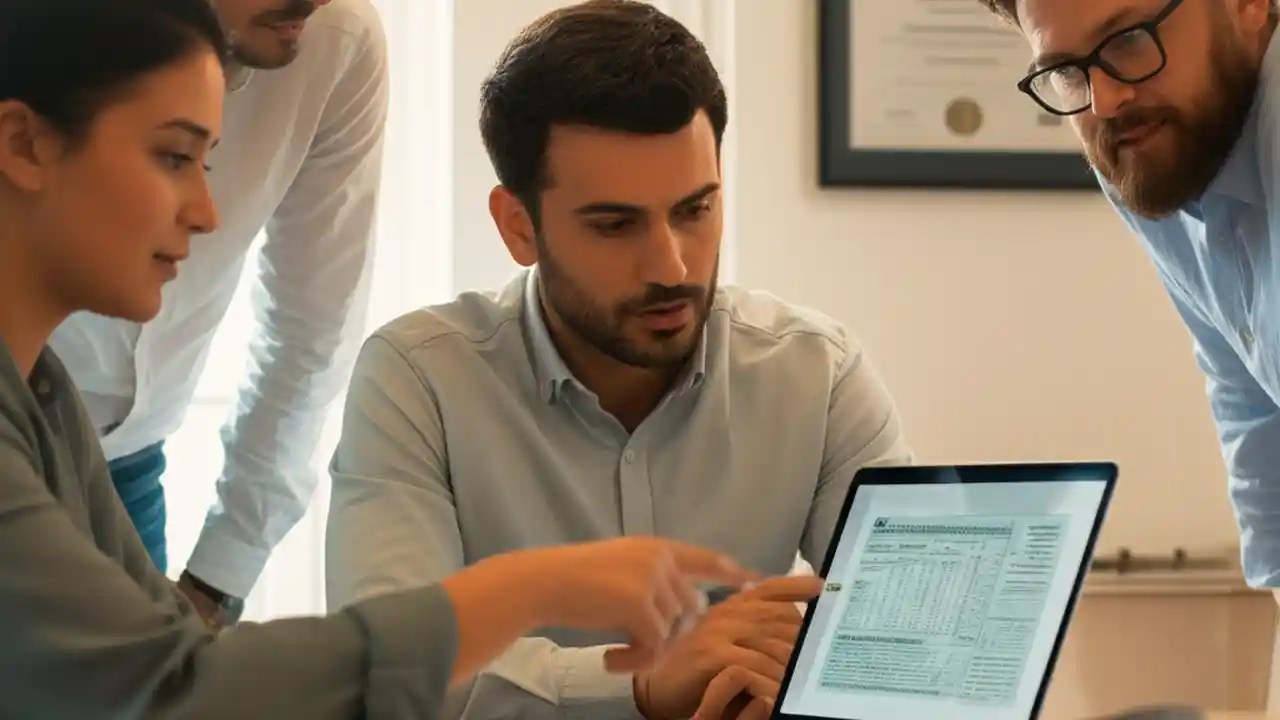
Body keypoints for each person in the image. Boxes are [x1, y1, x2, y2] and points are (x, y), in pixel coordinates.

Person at [0, 0, 758, 716]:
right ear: (24, 144)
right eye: (173, 156)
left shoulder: (47, 399)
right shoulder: (419, 374)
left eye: (696, 209)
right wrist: (529, 590)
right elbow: (174, 691)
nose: (208, 213)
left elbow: (177, 663)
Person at [324, 2, 913, 718]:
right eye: (614, 224)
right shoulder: (418, 379)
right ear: (519, 226)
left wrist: (795, 685)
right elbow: (391, 675)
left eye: (694, 211)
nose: (670, 266)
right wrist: (639, 684)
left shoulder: (816, 373)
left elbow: (911, 636)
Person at [46, 0, 390, 624]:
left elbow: (313, 325)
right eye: (174, 158)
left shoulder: (336, 37)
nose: (209, 216)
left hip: (129, 472)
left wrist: (221, 574)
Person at [974, 0, 1280, 589]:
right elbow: (1249, 398)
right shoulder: (1153, 146)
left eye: (1129, 39)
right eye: (1067, 70)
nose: (1104, 99)